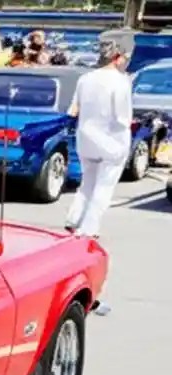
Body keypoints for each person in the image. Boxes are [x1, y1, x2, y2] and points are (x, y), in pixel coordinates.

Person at [65, 37, 134, 239]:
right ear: (117, 57)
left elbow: (73, 110)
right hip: (112, 139)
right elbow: (123, 117)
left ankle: (74, 218)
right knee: (104, 186)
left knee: (87, 182)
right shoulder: (121, 82)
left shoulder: (85, 78)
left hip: (86, 137)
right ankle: (89, 228)